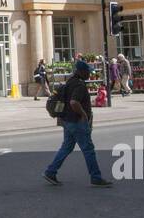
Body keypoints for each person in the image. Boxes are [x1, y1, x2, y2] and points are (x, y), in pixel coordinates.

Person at [43, 58, 113, 187]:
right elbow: (74, 102)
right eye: (87, 71)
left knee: (67, 147)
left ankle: (50, 171)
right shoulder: (80, 85)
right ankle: (96, 177)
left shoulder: (70, 82)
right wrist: (83, 114)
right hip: (77, 121)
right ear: (81, 72)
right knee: (88, 149)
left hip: (67, 120)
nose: (89, 74)